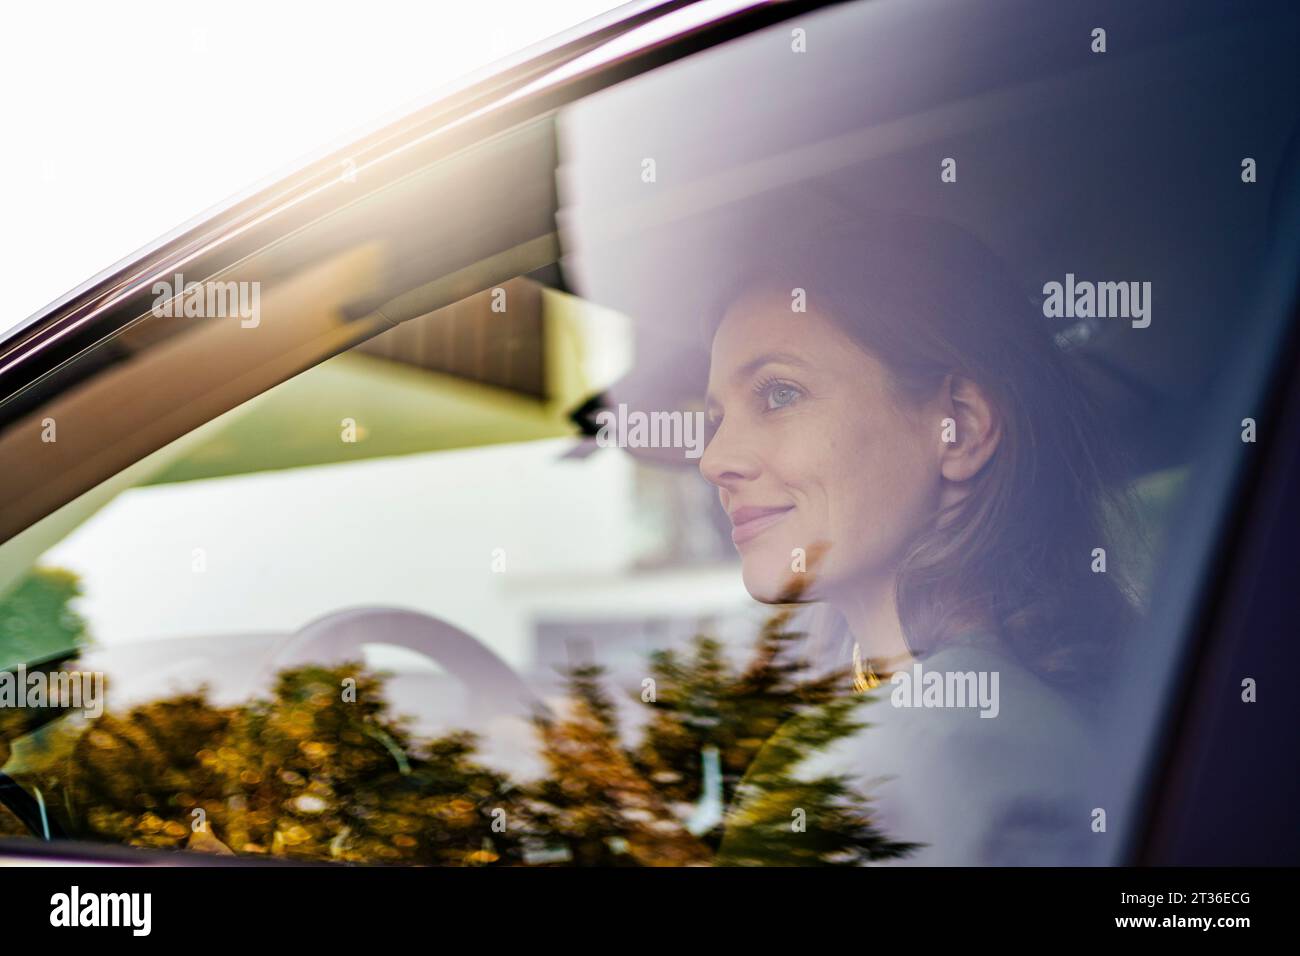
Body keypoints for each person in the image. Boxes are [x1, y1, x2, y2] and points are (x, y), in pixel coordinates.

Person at [698, 212, 1141, 864]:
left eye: (779, 393)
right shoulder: (1095, 708)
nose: (714, 459)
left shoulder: (869, 766)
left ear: (956, 426)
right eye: (716, 418)